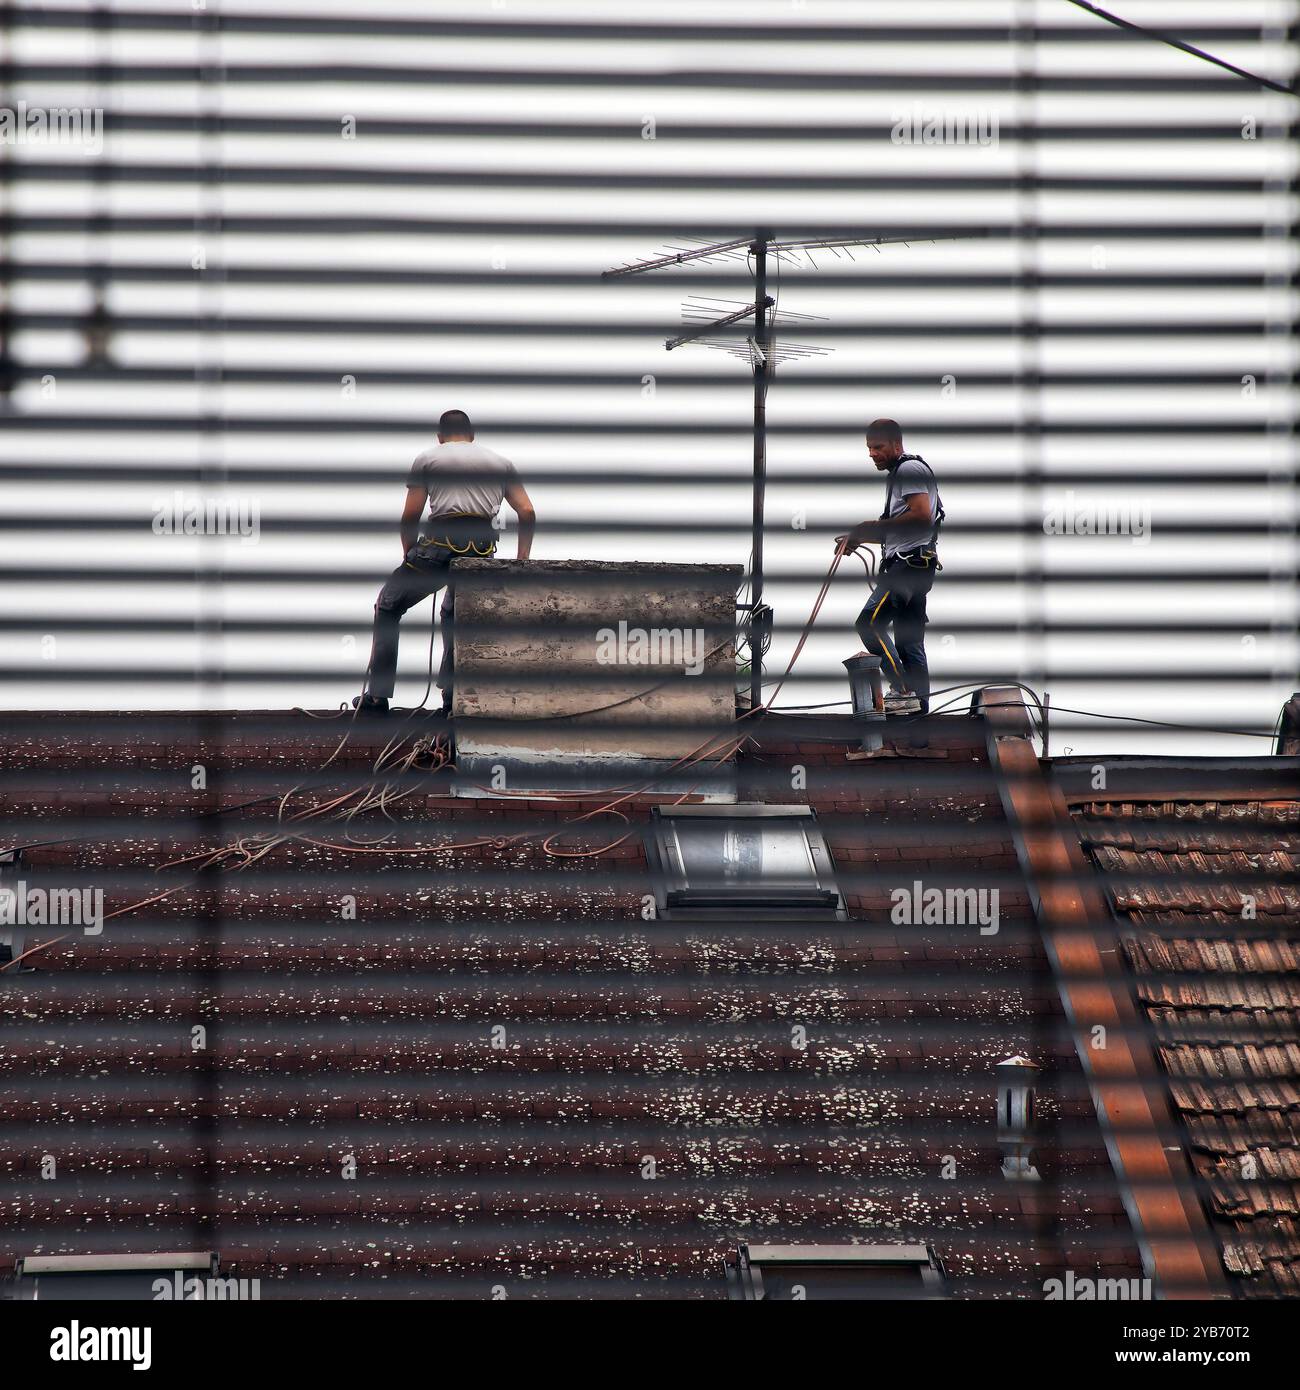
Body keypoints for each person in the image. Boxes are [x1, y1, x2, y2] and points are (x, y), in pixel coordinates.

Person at [354, 409, 535, 715]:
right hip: (480, 551)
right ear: (472, 435)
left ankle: (377, 696)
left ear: (440, 437)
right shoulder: (500, 462)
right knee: (454, 618)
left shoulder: (429, 458)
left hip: (439, 545)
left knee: (388, 604)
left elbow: (410, 516)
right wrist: (522, 562)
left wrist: (410, 553)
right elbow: (527, 512)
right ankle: (451, 702)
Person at [835, 418, 944, 714]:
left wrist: (867, 526)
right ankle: (918, 712)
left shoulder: (908, 469)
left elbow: (921, 516)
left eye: (878, 447)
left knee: (869, 623)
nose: (872, 453)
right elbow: (904, 526)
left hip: (907, 568)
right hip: (918, 567)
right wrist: (860, 537)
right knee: (909, 644)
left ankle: (903, 689)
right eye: (869, 448)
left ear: (896, 444)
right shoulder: (904, 472)